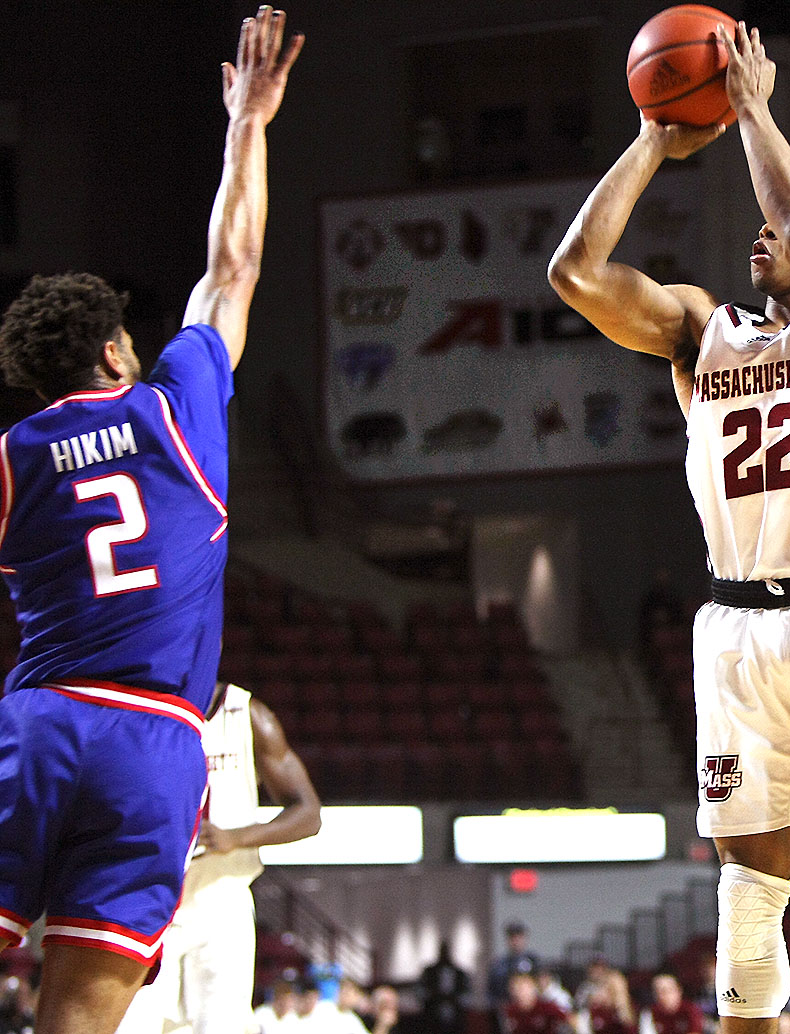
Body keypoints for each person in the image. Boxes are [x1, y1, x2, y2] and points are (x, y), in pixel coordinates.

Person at [549, 18, 790, 1034]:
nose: (756, 239)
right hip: (733, 626)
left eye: (776, 228)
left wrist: (754, 107)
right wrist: (652, 138)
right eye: (753, 233)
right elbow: (573, 275)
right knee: (744, 892)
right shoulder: (699, 331)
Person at [0, 8, 302, 1034]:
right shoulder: (178, 410)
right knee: (80, 1018)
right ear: (121, 351)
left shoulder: (13, 456)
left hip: (40, 721)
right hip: (155, 743)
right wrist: (245, 126)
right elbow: (232, 266)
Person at [116, 680, 322, 1034]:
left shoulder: (249, 714)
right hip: (153, 900)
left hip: (222, 902)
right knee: (135, 1025)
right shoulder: (142, 705)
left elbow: (309, 814)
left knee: (220, 1026)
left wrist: (235, 838)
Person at [418, 941, 472, 1034]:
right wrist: (434, 996)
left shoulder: (460, 973)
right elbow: (420, 992)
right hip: (432, 1016)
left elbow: (467, 995)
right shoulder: (429, 972)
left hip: (456, 1017)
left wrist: (453, 998)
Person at [502, 972, 574, 1034]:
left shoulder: (547, 1007)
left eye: (525, 988)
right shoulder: (509, 1011)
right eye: (518, 989)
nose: (522, 993)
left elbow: (571, 1020)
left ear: (533, 988)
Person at [489, 923, 541, 1007]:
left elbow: (540, 985)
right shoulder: (499, 964)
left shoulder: (533, 960)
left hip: (530, 1008)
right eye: (512, 938)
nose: (516, 941)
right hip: (505, 1005)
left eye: (519, 938)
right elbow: (492, 990)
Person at [638, 974, 705, 1034]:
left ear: (678, 991)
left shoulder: (691, 1010)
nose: (662, 995)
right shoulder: (649, 1013)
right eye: (657, 991)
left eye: (666, 990)